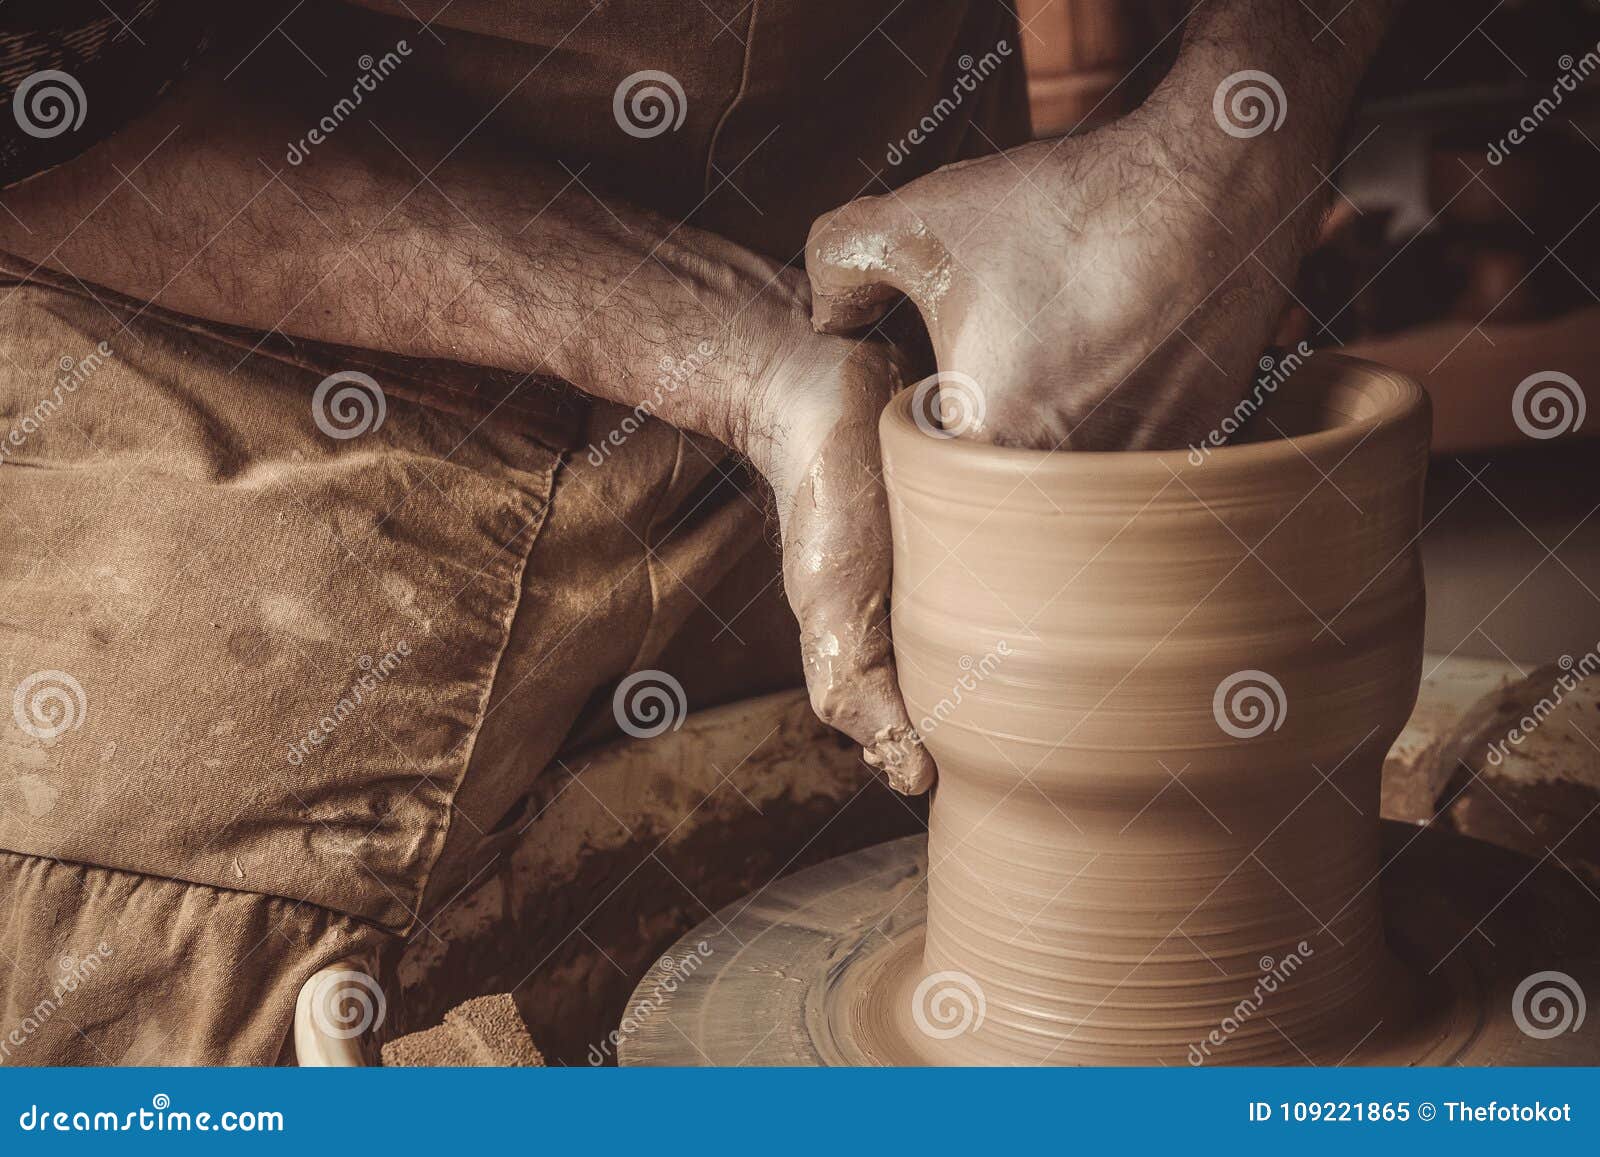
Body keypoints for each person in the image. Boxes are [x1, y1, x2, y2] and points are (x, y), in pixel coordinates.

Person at [0, 0, 1394, 1063]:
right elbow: (41, 110)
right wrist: (748, 359)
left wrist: (1227, 141)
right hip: (214, 305)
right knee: (152, 968)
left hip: (896, 265)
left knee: (1031, 771)